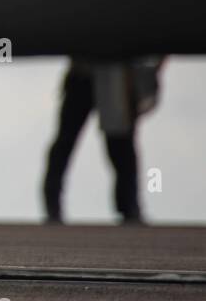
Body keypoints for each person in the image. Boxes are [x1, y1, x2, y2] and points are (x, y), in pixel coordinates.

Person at [43, 57, 164, 224]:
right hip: (87, 73)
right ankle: (129, 208)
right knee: (68, 142)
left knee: (119, 146)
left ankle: (129, 207)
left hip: (112, 75)